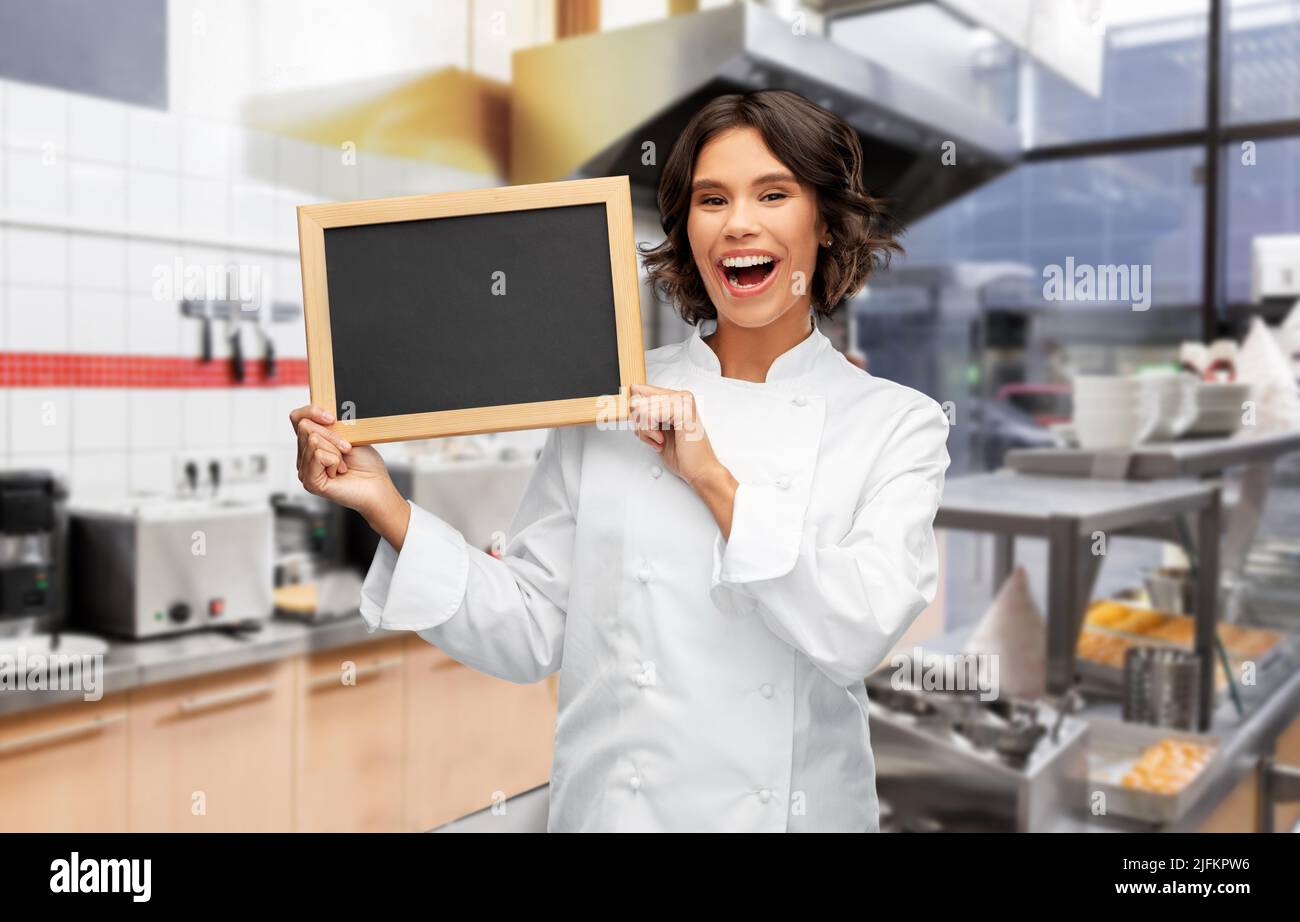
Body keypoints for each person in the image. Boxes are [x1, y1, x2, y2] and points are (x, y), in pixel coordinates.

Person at [290, 89, 951, 832]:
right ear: (687, 227)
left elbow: (855, 633)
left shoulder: (895, 424)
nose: (739, 224)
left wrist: (710, 476)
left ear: (826, 223)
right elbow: (533, 629)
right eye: (711, 199)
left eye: (774, 194)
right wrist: (390, 509)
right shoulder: (608, 397)